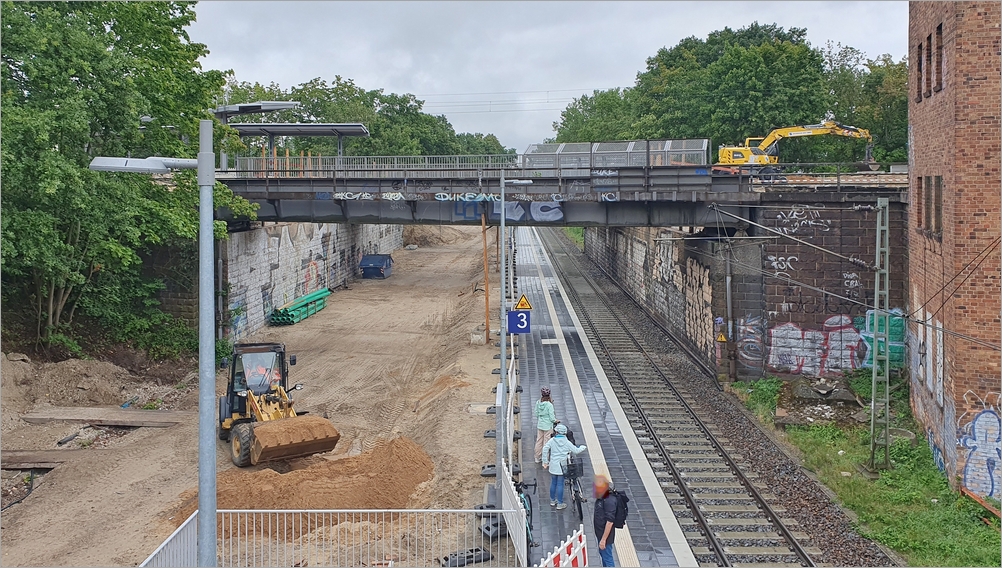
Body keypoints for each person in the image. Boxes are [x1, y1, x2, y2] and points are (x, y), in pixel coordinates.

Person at [542, 423, 586, 510]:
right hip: (562, 466)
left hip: (553, 465)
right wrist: (582, 447)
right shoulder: (567, 442)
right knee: (560, 484)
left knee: (553, 483)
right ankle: (560, 503)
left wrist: (545, 461)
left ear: (556, 432)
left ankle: (552, 501)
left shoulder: (552, 441)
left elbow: (545, 449)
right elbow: (576, 450)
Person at [593, 474, 617, 567]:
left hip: (605, 535)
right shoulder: (602, 498)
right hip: (600, 533)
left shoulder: (609, 502)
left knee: (607, 557)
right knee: (604, 555)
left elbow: (610, 522)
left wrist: (603, 540)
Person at [532, 387, 556, 463]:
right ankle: (545, 459)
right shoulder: (549, 405)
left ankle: (537, 457)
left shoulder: (538, 402)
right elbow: (552, 418)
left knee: (539, 441)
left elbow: (536, 413)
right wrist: (556, 421)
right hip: (548, 426)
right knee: (546, 443)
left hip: (540, 425)